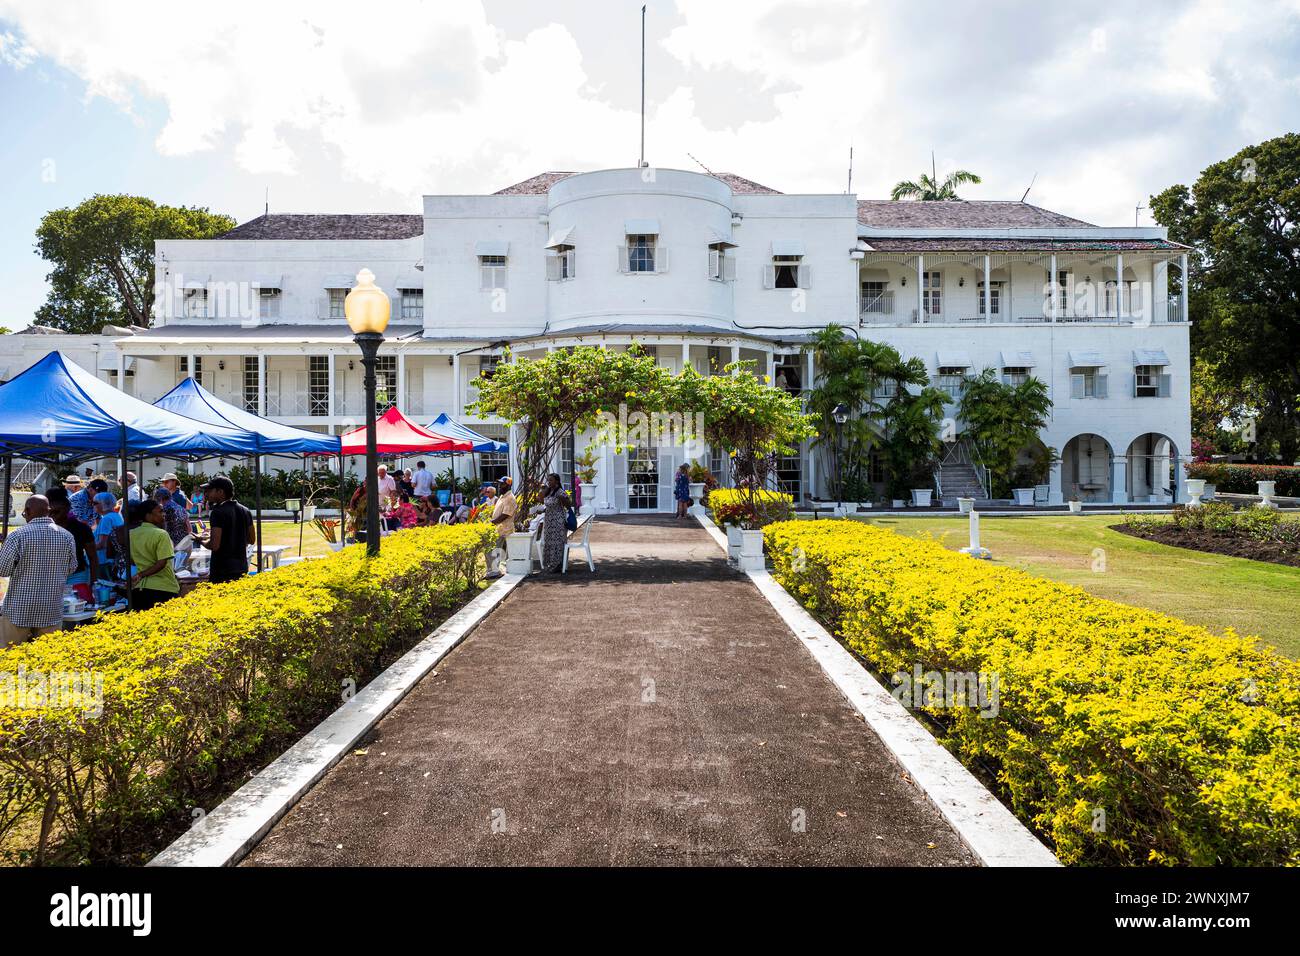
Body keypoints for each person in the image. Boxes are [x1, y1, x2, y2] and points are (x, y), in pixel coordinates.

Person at [0, 495, 77, 648]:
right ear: (48, 511)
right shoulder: (66, 536)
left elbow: (3, 570)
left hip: (19, 608)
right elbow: (71, 568)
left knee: (8, 657)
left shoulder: (17, 536)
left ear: (28, 511)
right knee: (46, 659)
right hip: (51, 608)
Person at [201, 476, 255, 585]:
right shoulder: (245, 510)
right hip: (241, 568)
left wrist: (201, 541)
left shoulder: (217, 512)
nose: (206, 494)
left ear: (220, 492)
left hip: (222, 570)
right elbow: (251, 539)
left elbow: (215, 545)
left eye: (210, 491)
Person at [47, 488, 98, 602]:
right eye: (50, 512)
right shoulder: (43, 529)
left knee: (79, 609)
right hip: (51, 577)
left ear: (67, 508)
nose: (52, 516)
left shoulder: (81, 528)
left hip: (77, 575)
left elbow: (93, 557)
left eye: (57, 512)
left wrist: (94, 582)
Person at [128, 500, 179, 611]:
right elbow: (162, 563)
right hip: (163, 588)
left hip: (140, 588)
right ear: (148, 515)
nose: (163, 515)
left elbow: (132, 560)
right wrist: (142, 574)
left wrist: (141, 574)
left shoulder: (132, 533)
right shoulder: (161, 534)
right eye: (160, 512)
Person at [528, 473, 572, 573]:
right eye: (548, 480)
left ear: (557, 481)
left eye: (551, 480)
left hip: (558, 521)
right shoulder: (549, 491)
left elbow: (568, 505)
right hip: (549, 520)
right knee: (549, 542)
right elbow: (540, 500)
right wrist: (541, 509)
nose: (549, 482)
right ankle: (551, 563)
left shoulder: (560, 492)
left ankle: (558, 564)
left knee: (558, 542)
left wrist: (562, 499)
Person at [92, 492, 126, 581]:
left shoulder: (106, 519)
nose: (93, 505)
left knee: (104, 587)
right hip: (113, 559)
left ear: (103, 503)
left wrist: (84, 548)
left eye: (95, 503)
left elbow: (102, 544)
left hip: (103, 560)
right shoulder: (116, 516)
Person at [490, 478, 517, 544]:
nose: (500, 486)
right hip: (499, 531)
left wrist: (492, 522)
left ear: (508, 486)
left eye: (502, 484)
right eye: (500, 484)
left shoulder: (510, 498)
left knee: (500, 552)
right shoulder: (503, 496)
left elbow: (505, 514)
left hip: (505, 532)